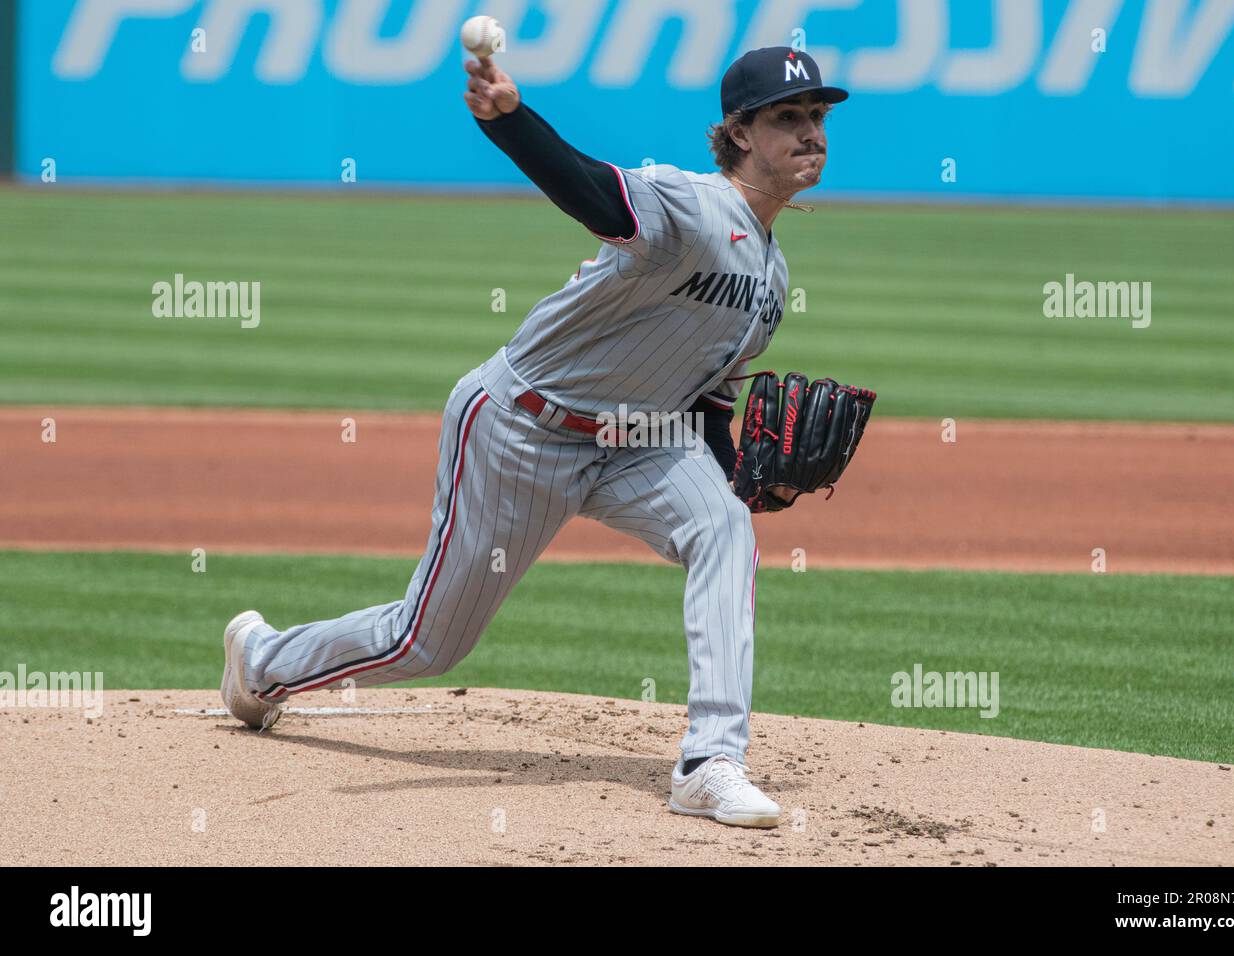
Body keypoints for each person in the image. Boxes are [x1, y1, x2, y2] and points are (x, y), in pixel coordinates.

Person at [220, 47, 847, 829]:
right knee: (428, 643)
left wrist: (756, 484)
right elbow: (589, 191)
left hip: (639, 443)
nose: (810, 132)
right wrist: (510, 121)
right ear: (740, 134)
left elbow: (707, 409)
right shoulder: (688, 204)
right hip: (521, 427)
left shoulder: (772, 282)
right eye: (788, 117)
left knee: (724, 524)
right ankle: (262, 662)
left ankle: (709, 762)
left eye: (818, 116)